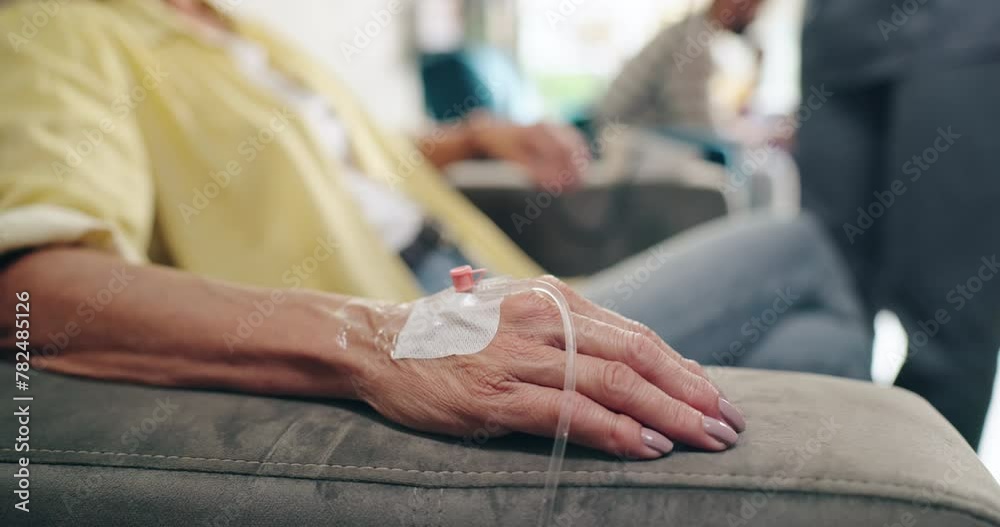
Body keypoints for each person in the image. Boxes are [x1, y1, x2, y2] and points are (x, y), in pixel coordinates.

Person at [0, 0, 869, 458]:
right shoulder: (60, 26)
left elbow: (351, 163)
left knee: (823, 345)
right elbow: (30, 289)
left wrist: (475, 136)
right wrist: (382, 338)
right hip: (417, 316)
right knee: (797, 248)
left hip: (472, 276)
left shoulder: (237, 28)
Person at [796, 0, 1000, 447]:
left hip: (964, 30)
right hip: (837, 38)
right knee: (818, 307)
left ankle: (913, 505)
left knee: (949, 326)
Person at [593, 0, 766, 133]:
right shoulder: (692, 44)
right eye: (756, 5)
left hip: (633, 134)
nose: (756, 16)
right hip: (622, 138)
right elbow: (698, 126)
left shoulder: (694, 32)